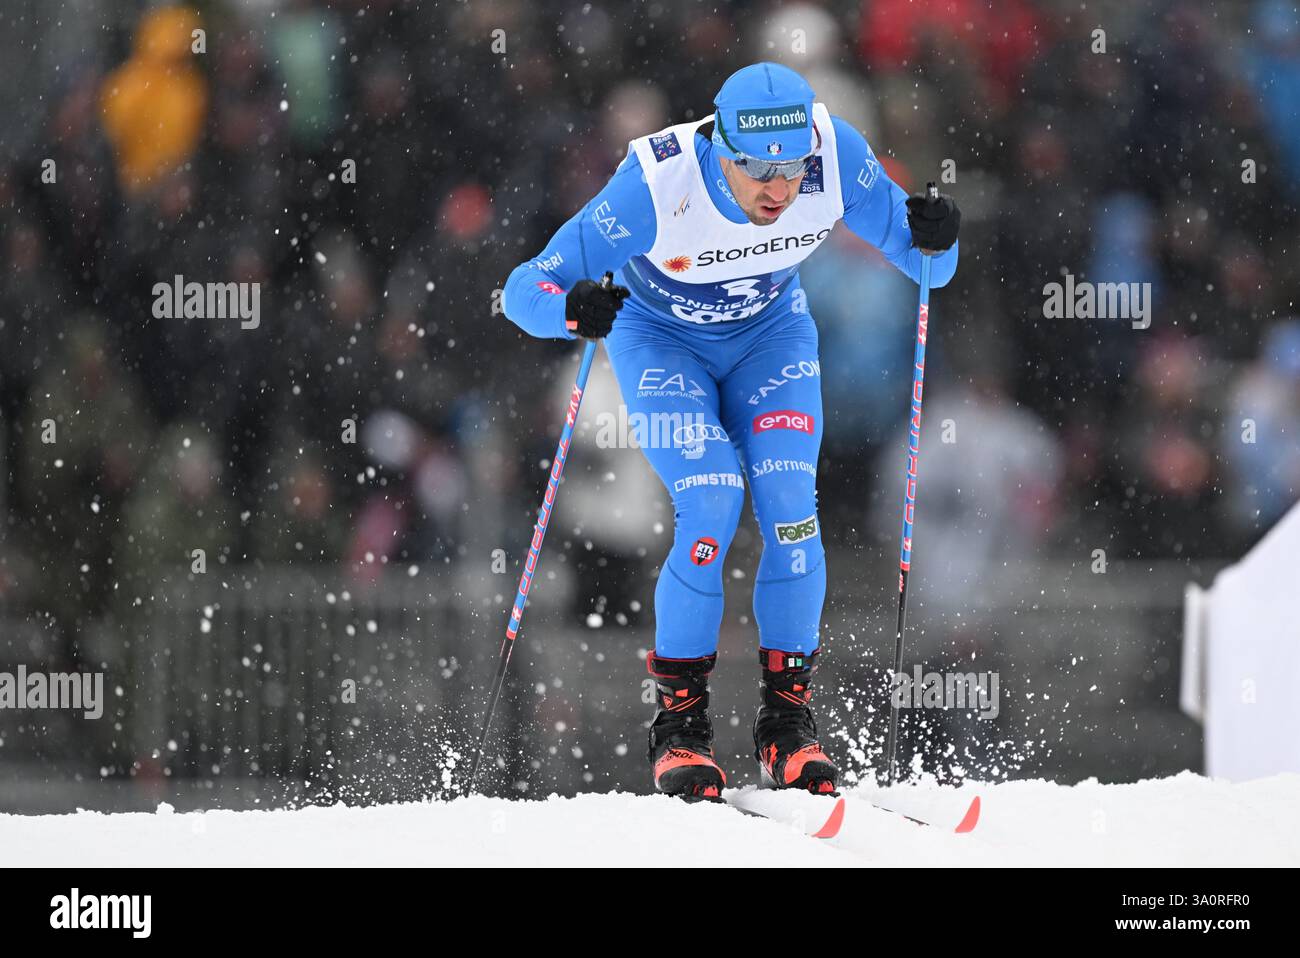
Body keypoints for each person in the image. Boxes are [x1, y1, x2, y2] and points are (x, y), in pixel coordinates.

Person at [503, 63, 960, 799]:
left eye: (792, 169)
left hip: (769, 341)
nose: (779, 188)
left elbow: (929, 266)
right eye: (757, 171)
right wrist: (572, 310)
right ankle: (680, 731)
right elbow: (526, 289)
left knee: (790, 509)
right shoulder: (658, 181)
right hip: (661, 345)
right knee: (712, 501)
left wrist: (938, 234)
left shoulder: (835, 154)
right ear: (722, 149)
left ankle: (788, 728)